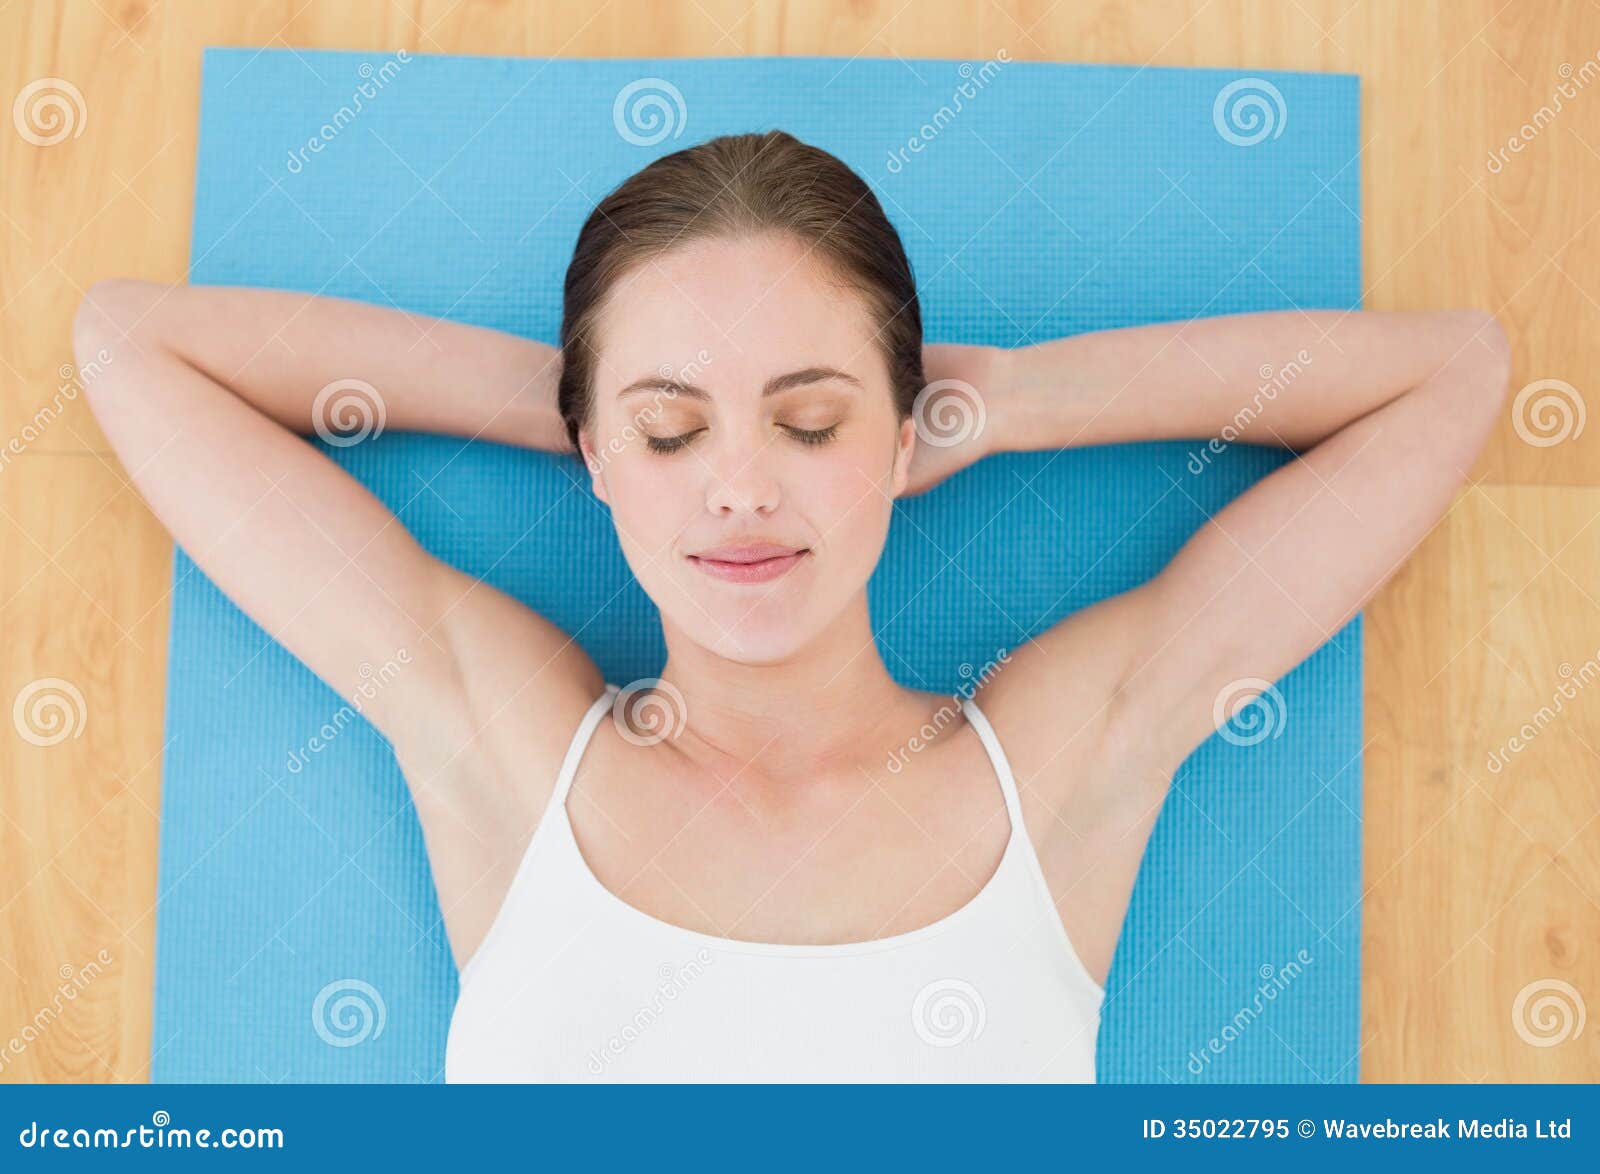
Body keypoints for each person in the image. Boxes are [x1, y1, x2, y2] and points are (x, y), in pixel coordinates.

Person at [73, 130, 1510, 1081]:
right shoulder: (501, 743)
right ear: (596, 458)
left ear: (903, 441)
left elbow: (1449, 375)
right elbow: (134, 346)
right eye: (675, 436)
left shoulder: (1060, 766)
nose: (743, 491)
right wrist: (597, 400)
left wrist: (1005, 400)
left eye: (812, 424)